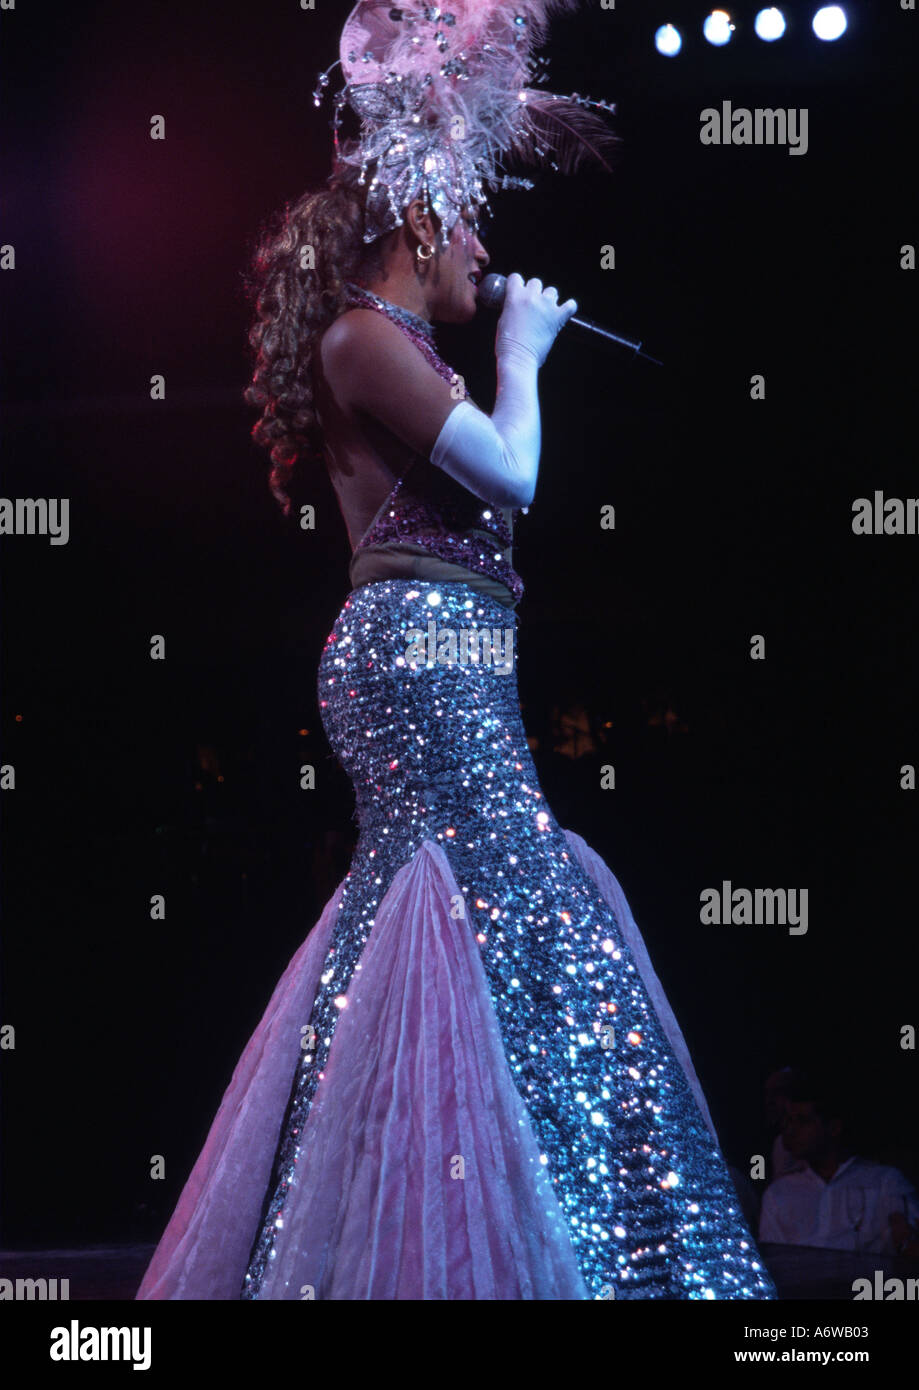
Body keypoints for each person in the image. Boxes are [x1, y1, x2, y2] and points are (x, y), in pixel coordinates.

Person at [135, 0, 775, 1301]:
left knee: (453, 903)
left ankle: (501, 1204)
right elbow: (512, 470)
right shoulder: (365, 336)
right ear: (422, 221)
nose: (486, 252)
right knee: (488, 888)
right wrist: (524, 352)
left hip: (448, 646)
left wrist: (496, 348)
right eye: (471, 224)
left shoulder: (407, 342)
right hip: (415, 652)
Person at [759, 1081, 919, 1255]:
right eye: (787, 1122)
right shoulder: (778, 1194)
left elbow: (910, 1247)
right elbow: (773, 1262)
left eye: (802, 1121)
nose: (790, 1131)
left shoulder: (885, 1183)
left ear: (834, 1128)